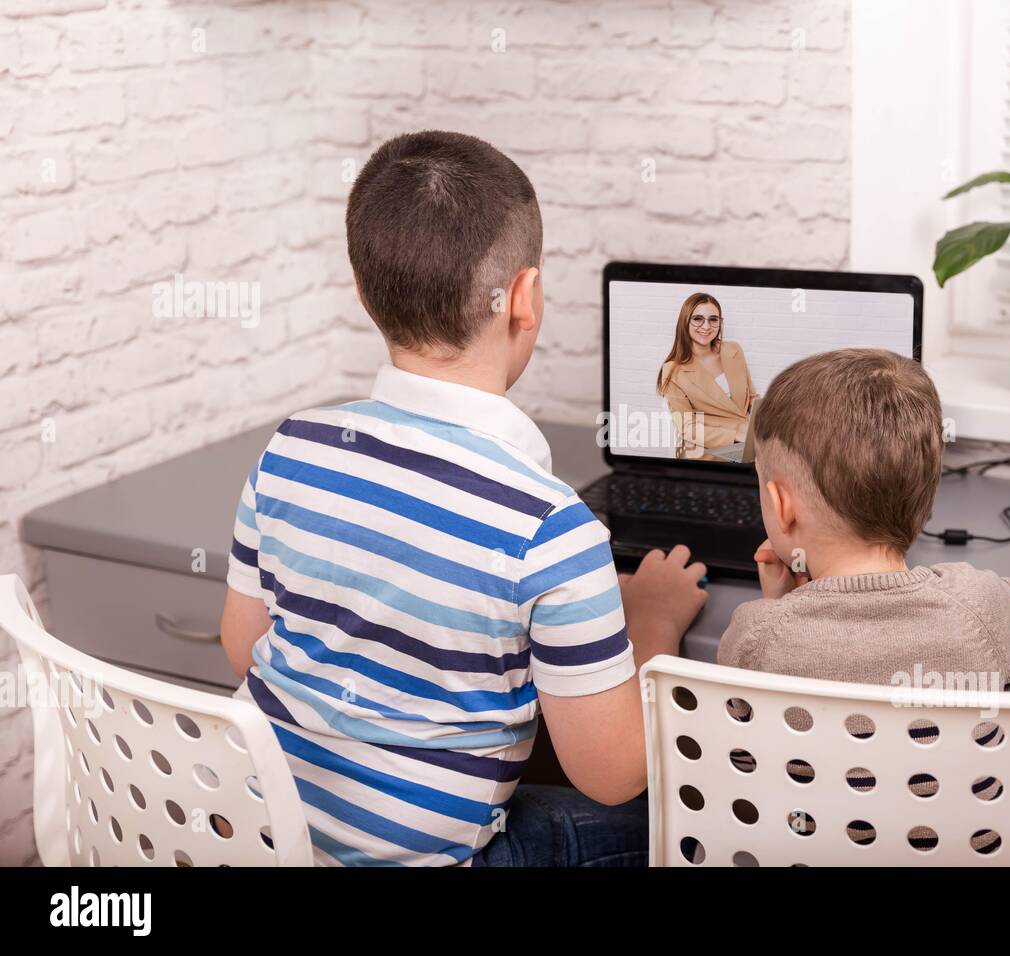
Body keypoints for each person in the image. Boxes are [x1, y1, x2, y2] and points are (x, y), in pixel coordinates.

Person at [218, 130, 707, 867]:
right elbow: (612, 775)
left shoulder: (292, 447)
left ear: (363, 290)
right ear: (525, 300)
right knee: (677, 830)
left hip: (268, 841)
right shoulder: (549, 530)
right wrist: (654, 623)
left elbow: (239, 645)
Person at [719, 348, 1010, 699]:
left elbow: (743, 750)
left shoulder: (755, 638)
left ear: (781, 507)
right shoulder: (976, 609)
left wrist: (781, 604)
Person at [656, 292, 757, 460]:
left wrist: (767, 419)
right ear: (685, 322)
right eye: (697, 319)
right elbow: (686, 428)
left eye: (713, 319)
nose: (706, 326)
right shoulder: (673, 370)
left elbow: (752, 397)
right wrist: (736, 436)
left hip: (749, 436)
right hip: (708, 446)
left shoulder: (733, 350)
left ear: (720, 323)